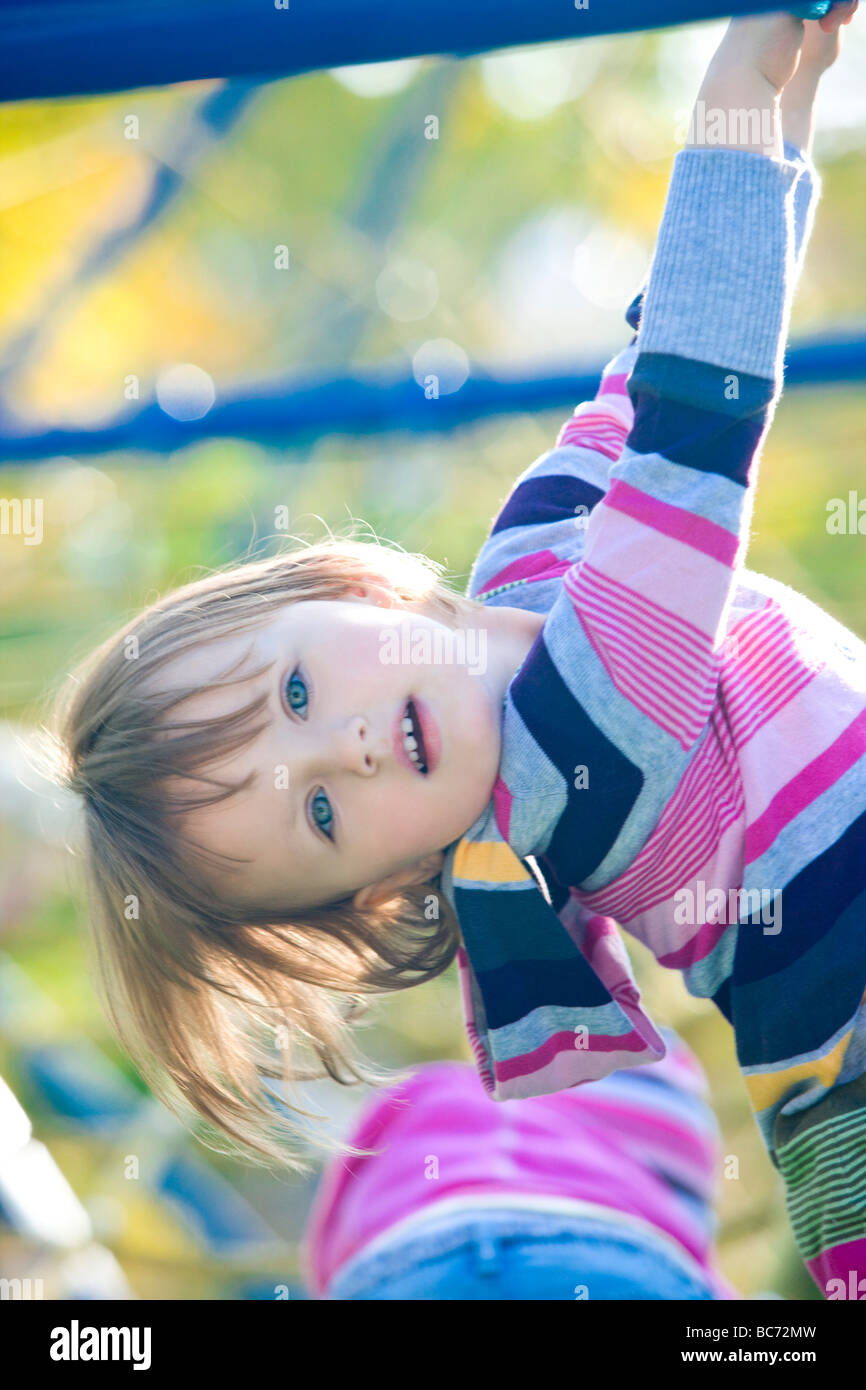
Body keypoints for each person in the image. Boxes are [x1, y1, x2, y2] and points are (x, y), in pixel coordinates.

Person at [49, 7, 863, 1299]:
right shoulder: (576, 751)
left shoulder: (528, 553)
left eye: (301, 689)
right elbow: (695, 426)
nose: (350, 747)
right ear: (381, 883)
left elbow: (660, 349)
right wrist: (729, 100)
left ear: (351, 582)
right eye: (319, 810)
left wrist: (783, 97)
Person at [301, 1027, 740, 1300]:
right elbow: (694, 1262)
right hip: (599, 1260)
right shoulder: (628, 1180)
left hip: (410, 1264)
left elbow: (335, 1224)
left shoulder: (430, 1090)